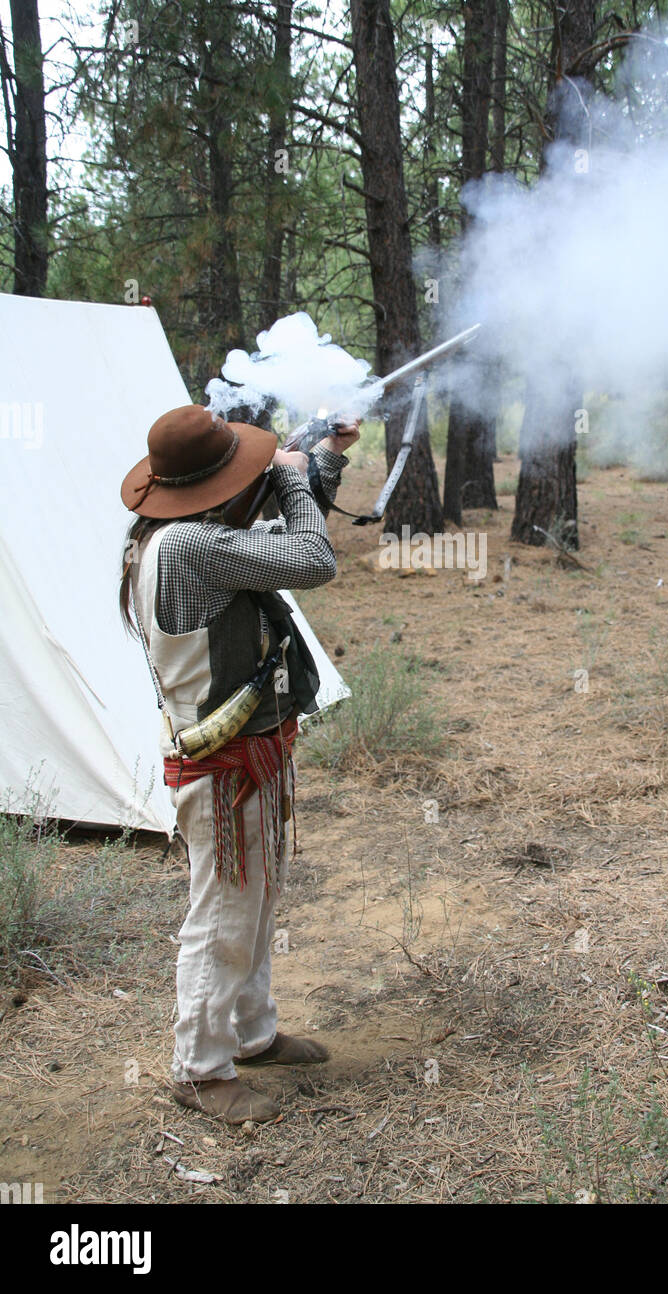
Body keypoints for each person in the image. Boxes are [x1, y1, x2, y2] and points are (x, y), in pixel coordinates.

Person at [119, 403, 358, 1124]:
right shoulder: (189, 545)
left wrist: (324, 460)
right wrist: (288, 478)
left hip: (246, 752)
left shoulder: (183, 536)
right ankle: (197, 1068)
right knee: (224, 915)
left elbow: (273, 544)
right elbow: (312, 558)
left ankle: (251, 1033)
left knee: (253, 905)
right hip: (226, 764)